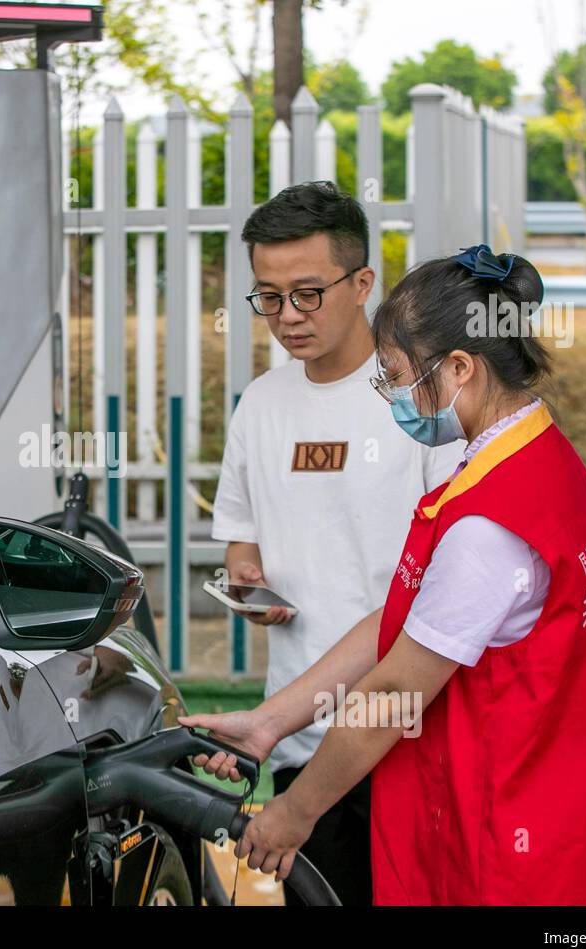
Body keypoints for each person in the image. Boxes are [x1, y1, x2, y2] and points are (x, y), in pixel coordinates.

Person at [185, 245, 586, 905]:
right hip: (540, 809)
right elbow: (402, 622)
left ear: (459, 369)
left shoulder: (490, 524)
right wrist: (270, 724)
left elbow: (393, 695)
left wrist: (297, 811)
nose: (392, 396)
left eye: (394, 376)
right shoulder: (536, 458)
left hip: (501, 839)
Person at [209, 181, 461, 904]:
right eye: (268, 296)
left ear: (362, 284)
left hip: (409, 736)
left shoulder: (423, 404)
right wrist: (244, 584)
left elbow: (440, 583)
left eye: (308, 293)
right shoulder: (261, 403)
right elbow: (239, 538)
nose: (287, 316)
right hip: (297, 737)